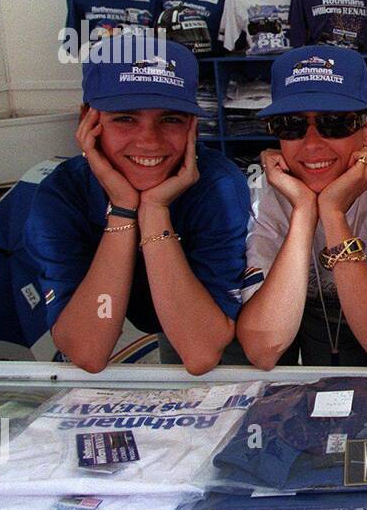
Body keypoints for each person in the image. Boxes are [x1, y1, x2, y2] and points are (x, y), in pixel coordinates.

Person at [24, 36, 252, 373]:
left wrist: (156, 210)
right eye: (125, 118)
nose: (149, 140)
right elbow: (87, 351)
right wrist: (122, 209)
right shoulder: (62, 193)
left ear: (192, 126)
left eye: (171, 119)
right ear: (88, 120)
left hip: (224, 332)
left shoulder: (217, 184)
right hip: (168, 320)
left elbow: (201, 351)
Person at [235, 46, 367, 369]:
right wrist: (303, 212)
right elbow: (262, 347)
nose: (312, 144)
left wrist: (333, 213)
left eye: (334, 123)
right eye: (292, 125)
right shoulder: (269, 191)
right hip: (319, 363)